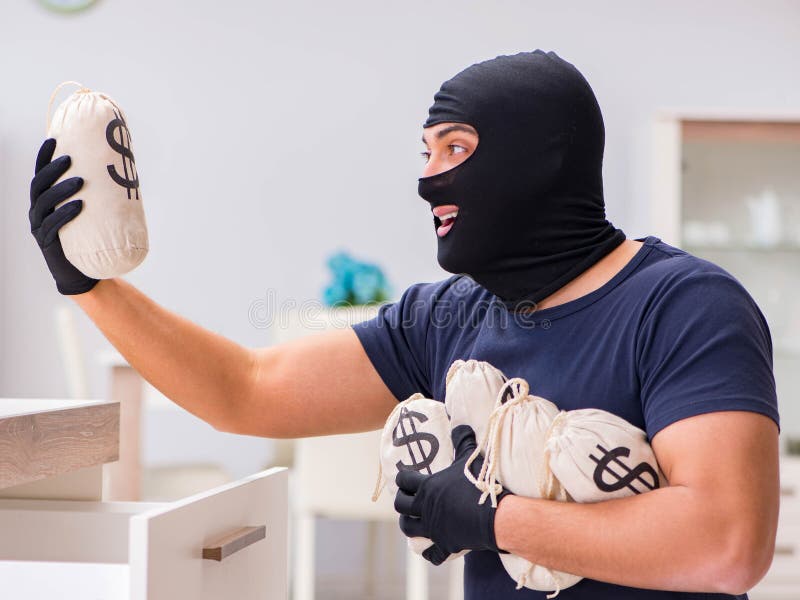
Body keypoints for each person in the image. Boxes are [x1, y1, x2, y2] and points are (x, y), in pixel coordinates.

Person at [28, 50, 779, 599]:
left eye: (456, 149)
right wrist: (91, 287)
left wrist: (497, 520)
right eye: (425, 153)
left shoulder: (685, 306)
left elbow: (727, 544)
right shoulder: (445, 318)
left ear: (543, 159)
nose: (428, 181)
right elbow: (245, 390)